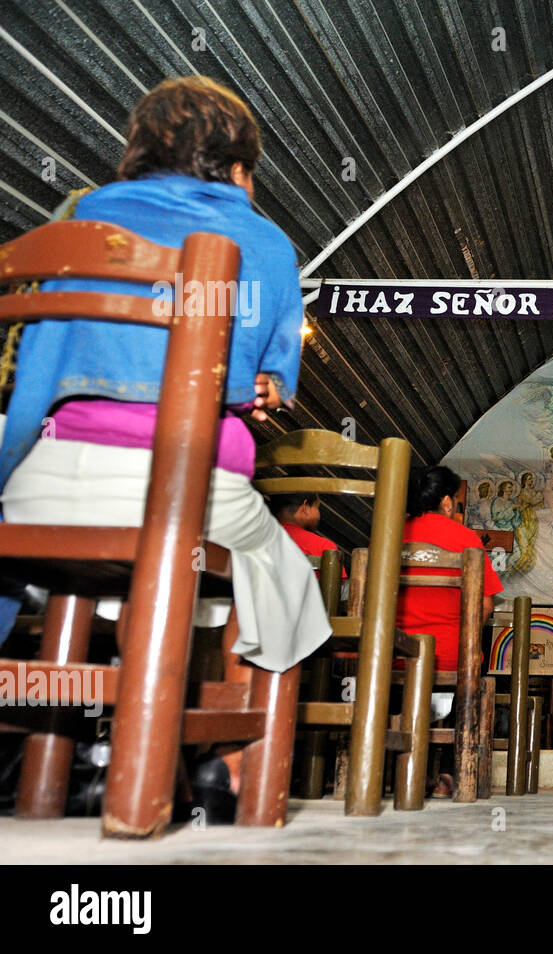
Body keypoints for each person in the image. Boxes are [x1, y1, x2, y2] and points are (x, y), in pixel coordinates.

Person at [0, 76, 331, 819]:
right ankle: (228, 765)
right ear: (241, 169)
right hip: (184, 489)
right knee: (283, 578)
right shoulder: (266, 243)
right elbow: (269, 384)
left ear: (138, 152)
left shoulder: (79, 215)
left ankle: (82, 757)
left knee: (95, 581)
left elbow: (28, 364)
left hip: (41, 482)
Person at [394, 465, 503, 798]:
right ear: (445, 501)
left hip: (394, 654)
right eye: (456, 501)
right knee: (465, 664)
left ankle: (393, 770)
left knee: (406, 692)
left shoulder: (391, 532)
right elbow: (484, 606)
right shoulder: (466, 538)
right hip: (450, 655)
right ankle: (447, 775)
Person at [268, 492, 347, 582]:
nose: (318, 513)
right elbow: (337, 590)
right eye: (317, 507)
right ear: (305, 507)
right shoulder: (323, 546)